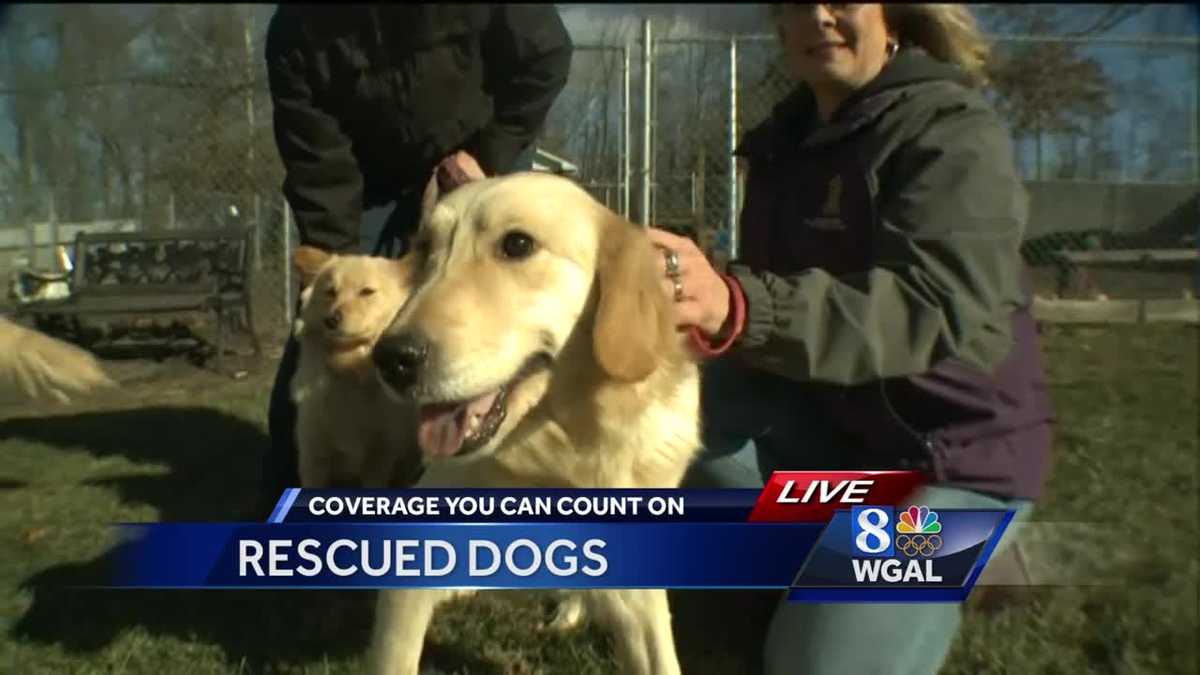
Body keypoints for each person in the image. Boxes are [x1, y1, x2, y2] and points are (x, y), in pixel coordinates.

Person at [647, 4, 1054, 675]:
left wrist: (740, 305)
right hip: (838, 441)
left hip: (956, 462)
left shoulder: (953, 132)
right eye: (795, 4)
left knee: (817, 665)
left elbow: (934, 303)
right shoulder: (783, 145)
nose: (817, 16)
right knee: (670, 417)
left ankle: (963, 557)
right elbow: (770, 305)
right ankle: (814, 577)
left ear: (891, 15)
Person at [260, 5, 573, 512]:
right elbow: (319, 163)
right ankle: (293, 494)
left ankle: (492, 484)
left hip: (479, 150)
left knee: (473, 325)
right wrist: (335, 266)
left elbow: (546, 56)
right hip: (370, 182)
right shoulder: (298, 27)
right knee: (326, 328)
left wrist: (485, 154)